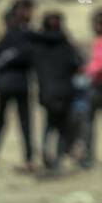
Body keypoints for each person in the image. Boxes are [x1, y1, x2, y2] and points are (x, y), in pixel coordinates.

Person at [0, 0, 36, 173]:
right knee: (24, 122)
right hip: (20, 84)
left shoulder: (2, 39)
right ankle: (28, 159)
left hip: (5, 84)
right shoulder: (26, 37)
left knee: (0, 121)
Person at [30, 11, 82, 171]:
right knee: (62, 127)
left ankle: (46, 152)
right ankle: (58, 157)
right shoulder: (66, 45)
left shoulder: (37, 45)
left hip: (47, 92)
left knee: (50, 124)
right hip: (64, 92)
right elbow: (77, 65)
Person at [78, 6, 102, 168]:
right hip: (95, 87)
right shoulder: (95, 42)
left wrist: (88, 70)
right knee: (89, 124)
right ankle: (89, 154)